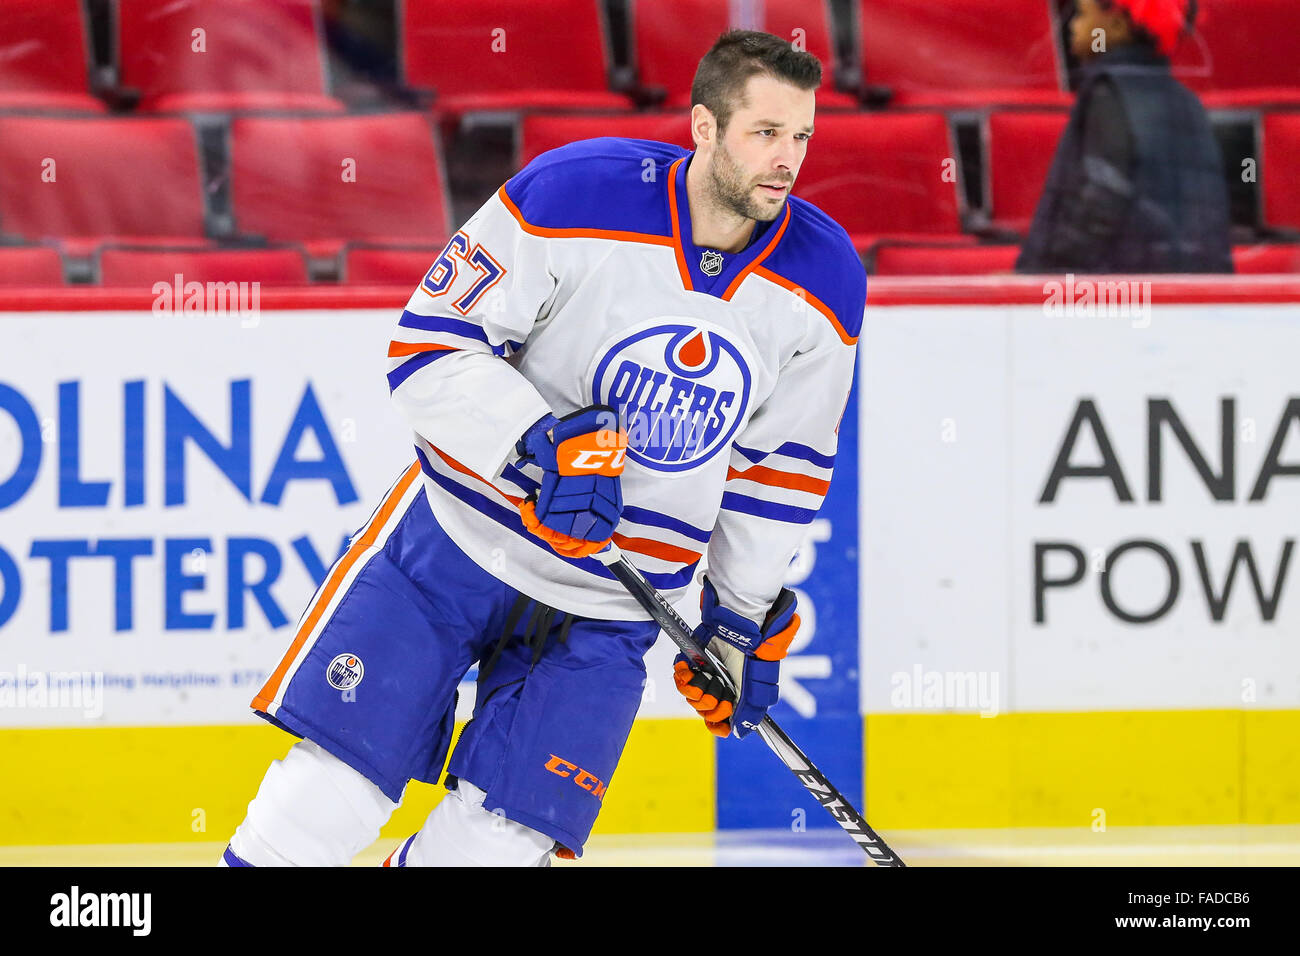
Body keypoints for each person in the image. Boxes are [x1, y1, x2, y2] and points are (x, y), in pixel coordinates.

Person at [221, 29, 864, 867]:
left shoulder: (826, 279)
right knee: (326, 798)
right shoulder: (575, 193)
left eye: (802, 137)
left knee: (500, 844)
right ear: (705, 128)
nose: (787, 159)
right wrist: (534, 447)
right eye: (766, 133)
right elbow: (427, 346)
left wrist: (738, 623)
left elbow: (777, 474)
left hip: (612, 606)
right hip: (455, 546)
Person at [1016, 0, 1233, 273]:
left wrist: (1042, 275)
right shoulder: (1188, 102)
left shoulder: (1108, 94)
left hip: (1122, 294)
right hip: (1190, 294)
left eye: (1081, 15)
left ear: (1116, 26)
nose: (1072, 26)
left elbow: (1100, 201)